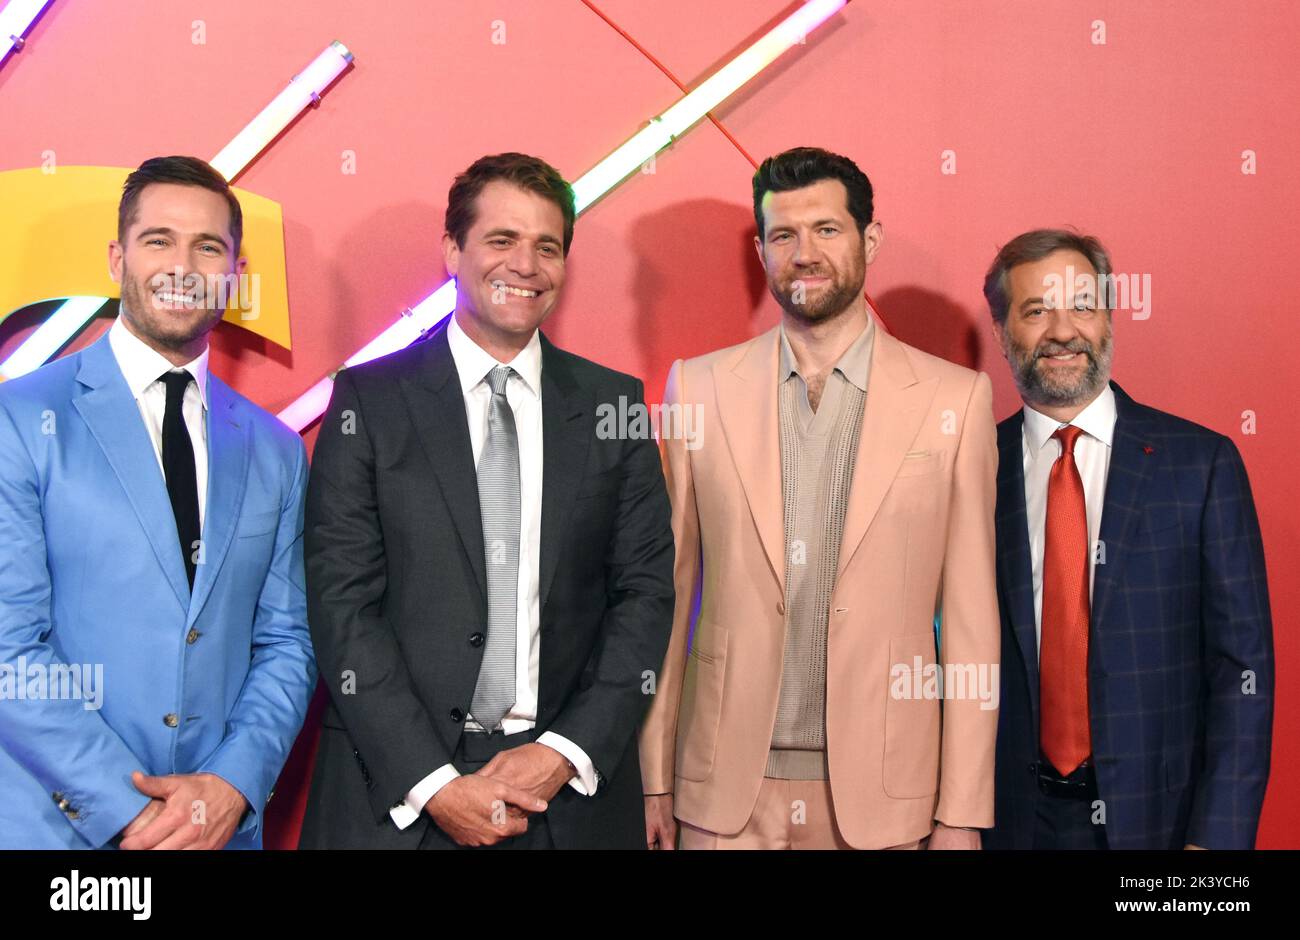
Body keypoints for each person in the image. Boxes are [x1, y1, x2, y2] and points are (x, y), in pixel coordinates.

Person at [299, 152, 674, 849]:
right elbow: (341, 601)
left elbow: (645, 595)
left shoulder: (612, 406)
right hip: (398, 796)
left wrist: (564, 750)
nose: (525, 265)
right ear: (453, 251)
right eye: (502, 240)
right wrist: (434, 781)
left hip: (564, 798)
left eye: (547, 246)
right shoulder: (369, 403)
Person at [640, 147, 1000, 850]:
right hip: (721, 792)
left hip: (888, 797)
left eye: (827, 230)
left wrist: (961, 811)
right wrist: (655, 775)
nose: (804, 253)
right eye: (783, 235)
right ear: (761, 250)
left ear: (870, 240)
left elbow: (971, 622)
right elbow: (667, 597)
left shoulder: (955, 399)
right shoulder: (699, 387)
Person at [0, 155, 316, 849]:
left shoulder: (275, 449)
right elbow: (8, 646)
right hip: (57, 835)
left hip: (219, 832)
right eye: (158, 240)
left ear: (234, 273)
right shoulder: (19, 418)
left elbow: (289, 641)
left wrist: (231, 784)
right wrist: (131, 808)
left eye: (208, 246)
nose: (182, 264)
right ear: (117, 258)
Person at [980, 228, 1274, 849]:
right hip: (1007, 825)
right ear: (1003, 332)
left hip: (1161, 828)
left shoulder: (1200, 464)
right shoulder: (973, 464)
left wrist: (1215, 846)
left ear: (1109, 317)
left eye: (1082, 306)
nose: (1063, 331)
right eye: (1036, 311)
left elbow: (1242, 672)